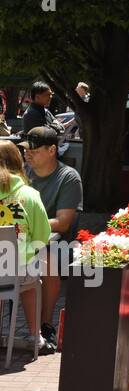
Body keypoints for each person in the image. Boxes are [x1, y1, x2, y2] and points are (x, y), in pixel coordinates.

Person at [19, 126, 82, 349]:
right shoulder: (22, 174)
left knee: (48, 262)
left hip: (56, 244)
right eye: (26, 149)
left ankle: (45, 325)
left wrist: (28, 227)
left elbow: (63, 222)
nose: (27, 154)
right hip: (22, 240)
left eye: (33, 150)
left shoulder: (68, 178)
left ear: (52, 150)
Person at [0, 139, 53, 353]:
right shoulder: (29, 196)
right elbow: (43, 235)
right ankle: (35, 337)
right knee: (31, 281)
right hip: (19, 269)